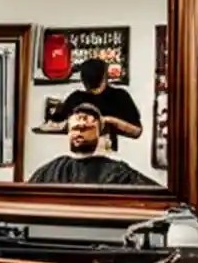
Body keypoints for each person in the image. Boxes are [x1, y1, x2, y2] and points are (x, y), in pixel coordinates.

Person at [28, 104, 159, 186]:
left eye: (85, 128)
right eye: (75, 128)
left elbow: (160, 197)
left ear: (101, 132)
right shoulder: (50, 171)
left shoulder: (119, 173)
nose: (80, 130)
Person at [41, 58, 142, 152]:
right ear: (105, 77)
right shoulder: (76, 98)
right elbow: (51, 125)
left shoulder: (119, 96)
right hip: (76, 155)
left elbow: (137, 131)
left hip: (106, 155)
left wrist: (109, 120)